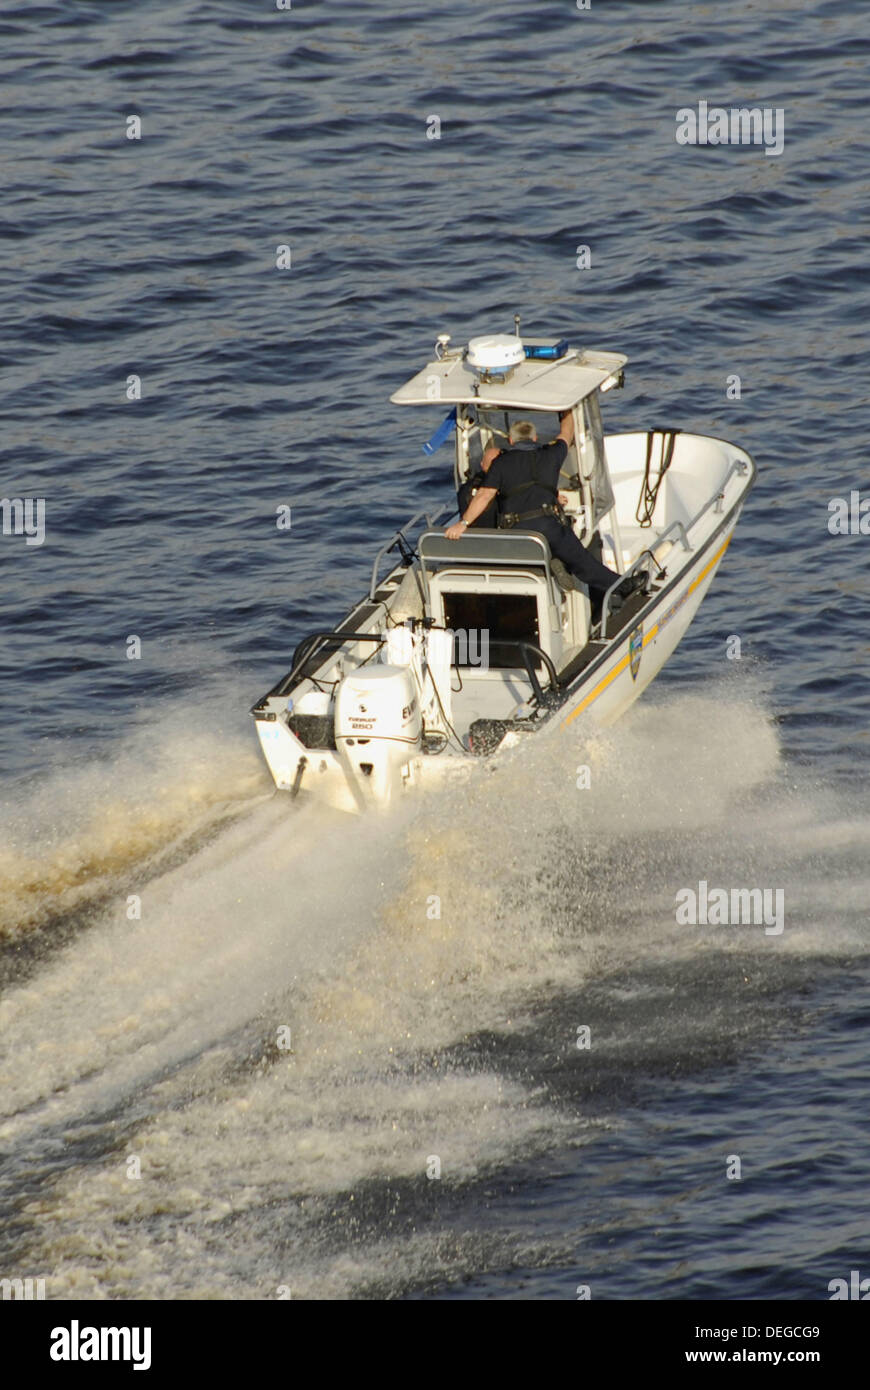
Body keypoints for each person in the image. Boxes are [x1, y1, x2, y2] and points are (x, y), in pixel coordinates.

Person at [445, 413, 646, 610]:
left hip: (517, 533)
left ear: (510, 440)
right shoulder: (552, 454)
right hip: (548, 527)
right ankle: (622, 587)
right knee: (582, 560)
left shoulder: (501, 463)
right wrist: (566, 412)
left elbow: (484, 496)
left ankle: (552, 562)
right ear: (534, 438)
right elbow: (566, 433)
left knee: (541, 551)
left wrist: (462, 524)